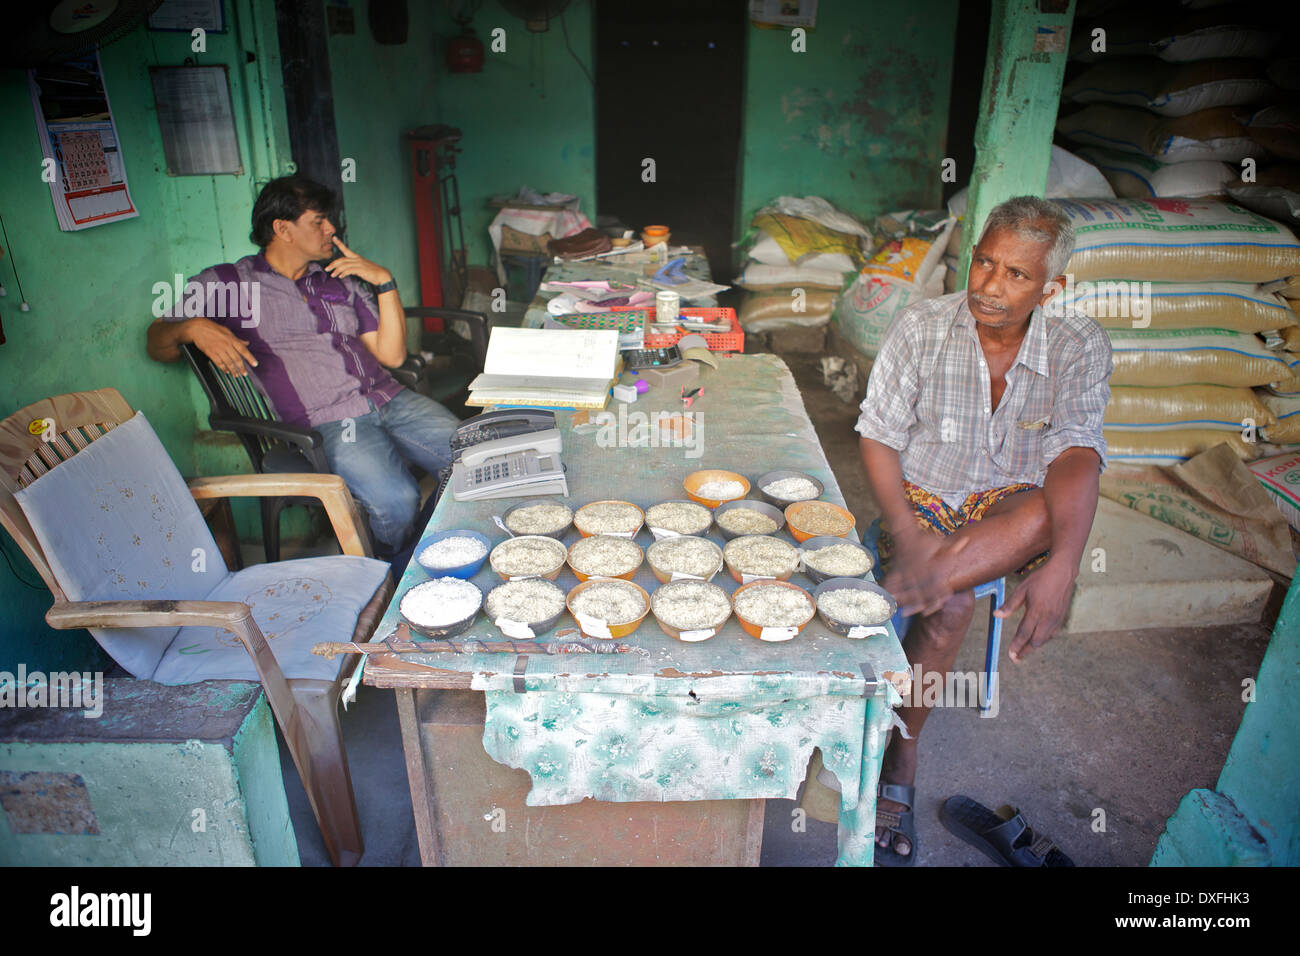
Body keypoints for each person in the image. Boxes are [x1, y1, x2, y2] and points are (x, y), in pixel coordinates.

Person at [854, 195, 1112, 864]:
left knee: (1048, 508)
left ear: (1051, 287)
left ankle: (890, 596)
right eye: (984, 264)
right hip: (924, 496)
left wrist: (1063, 567)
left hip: (1010, 506)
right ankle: (901, 763)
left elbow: (1078, 455)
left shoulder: (1078, 344)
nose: (990, 287)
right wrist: (909, 532)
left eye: (1016, 275)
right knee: (954, 609)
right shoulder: (921, 325)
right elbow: (878, 438)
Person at [147, 175, 460, 562]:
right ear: (282, 229)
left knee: (476, 458)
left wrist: (383, 281)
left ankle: (425, 553)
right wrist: (193, 326)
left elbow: (393, 357)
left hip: (392, 398)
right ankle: (397, 576)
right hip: (329, 421)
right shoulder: (230, 284)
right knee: (397, 500)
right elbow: (157, 342)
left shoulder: (336, 281)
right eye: (318, 221)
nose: (331, 229)